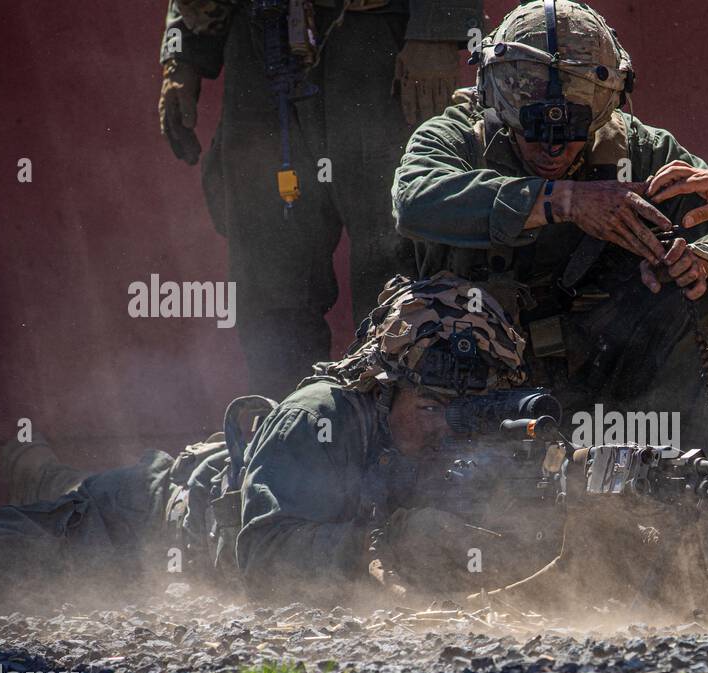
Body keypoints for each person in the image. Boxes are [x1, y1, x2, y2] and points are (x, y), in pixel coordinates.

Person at [0, 275, 530, 609]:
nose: (446, 429)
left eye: (464, 413)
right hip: (140, 523)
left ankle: (37, 468)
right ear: (384, 390)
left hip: (189, 486)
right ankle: (37, 469)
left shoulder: (454, 439)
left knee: (61, 483)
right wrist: (388, 542)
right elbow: (264, 557)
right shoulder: (320, 416)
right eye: (430, 407)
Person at [391, 0, 708, 450]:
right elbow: (416, 199)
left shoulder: (638, 151)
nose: (552, 148)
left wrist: (703, 260)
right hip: (478, 385)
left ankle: (685, 472)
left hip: (611, 391)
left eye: (573, 126)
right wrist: (562, 200)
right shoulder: (458, 138)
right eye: (533, 125)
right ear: (499, 102)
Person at [158, 0, 484, 398]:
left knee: (397, 257)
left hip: (375, 36)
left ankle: (399, 420)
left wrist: (436, 29)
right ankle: (287, 421)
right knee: (268, 269)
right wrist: (183, 53)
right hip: (258, 39)